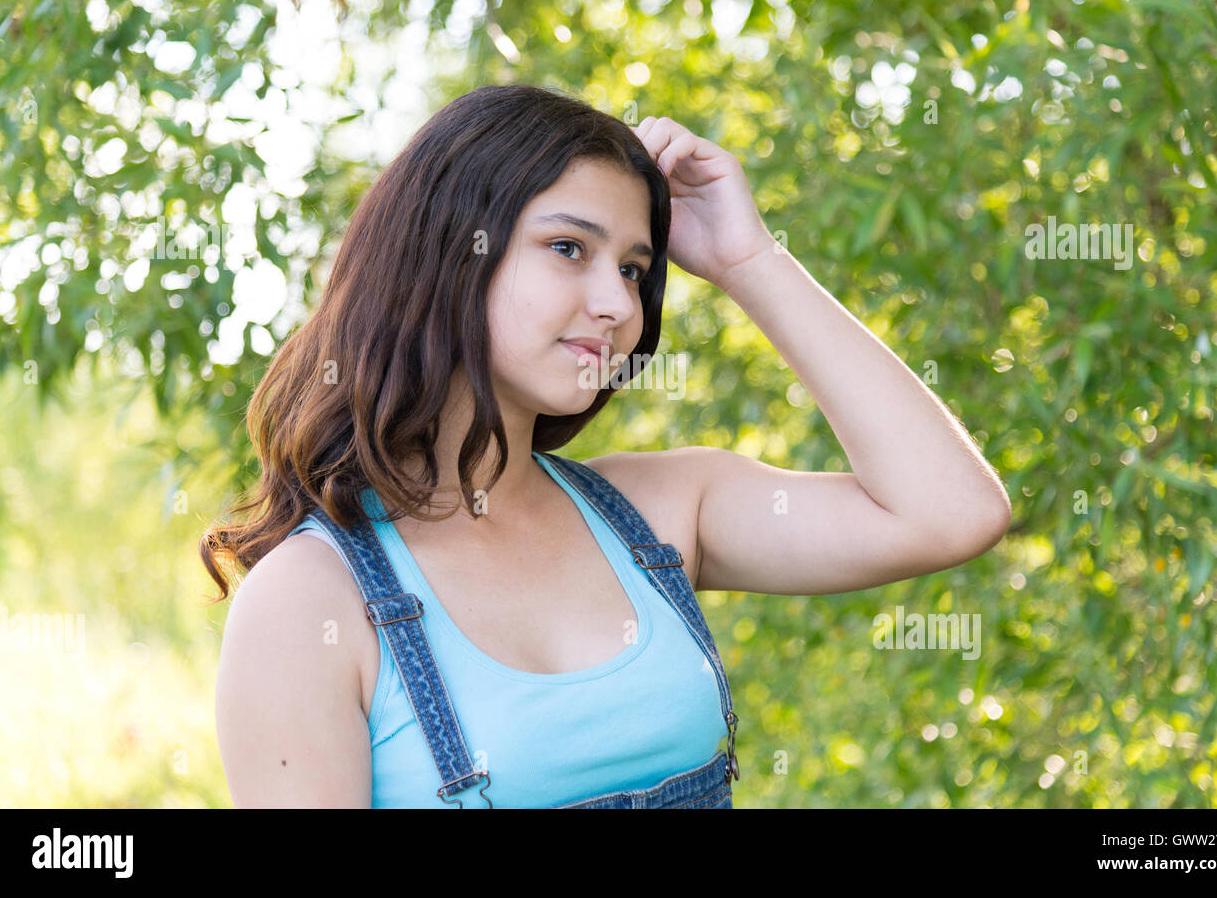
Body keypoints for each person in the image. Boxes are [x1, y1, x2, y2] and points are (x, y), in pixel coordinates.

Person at [204, 83, 1012, 808]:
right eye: (569, 249)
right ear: (449, 250)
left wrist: (748, 260)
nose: (617, 304)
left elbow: (950, 512)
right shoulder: (308, 601)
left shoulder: (659, 512)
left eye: (634, 269)